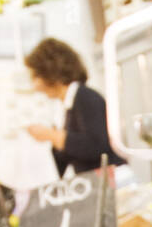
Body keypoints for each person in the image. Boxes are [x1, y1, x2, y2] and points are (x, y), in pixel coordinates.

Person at [24, 38, 126, 177]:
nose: (35, 85)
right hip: (100, 182)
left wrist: (53, 136)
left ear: (49, 72)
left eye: (35, 77)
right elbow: (67, 161)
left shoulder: (84, 97)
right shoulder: (68, 105)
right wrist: (53, 138)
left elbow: (97, 146)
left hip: (112, 180)